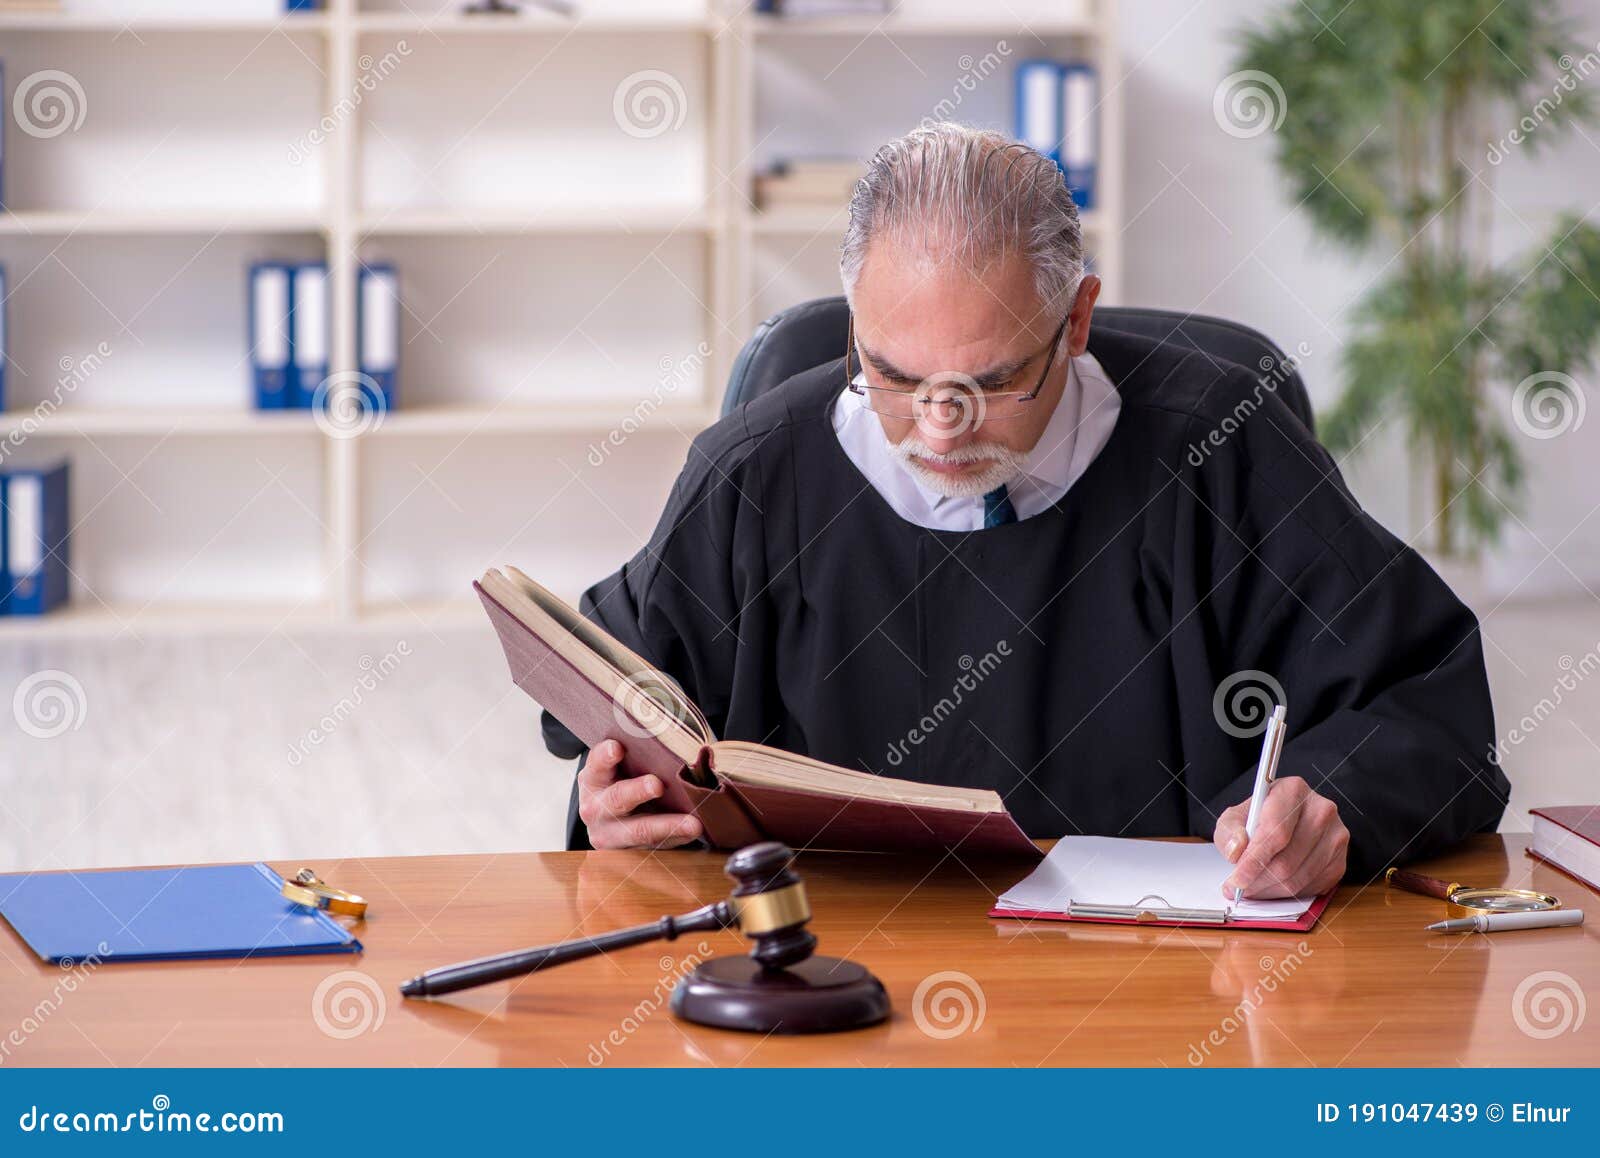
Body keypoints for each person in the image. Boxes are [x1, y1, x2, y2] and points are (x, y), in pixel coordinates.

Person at [543, 122, 1508, 899]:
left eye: (991, 380)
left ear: (1076, 321)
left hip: (1167, 992)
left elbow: (1430, 706)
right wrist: (617, 799)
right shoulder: (758, 469)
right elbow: (620, 705)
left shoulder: (1222, 448)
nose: (939, 427)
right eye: (892, 374)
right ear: (854, 326)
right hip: (830, 982)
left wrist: (1331, 804)